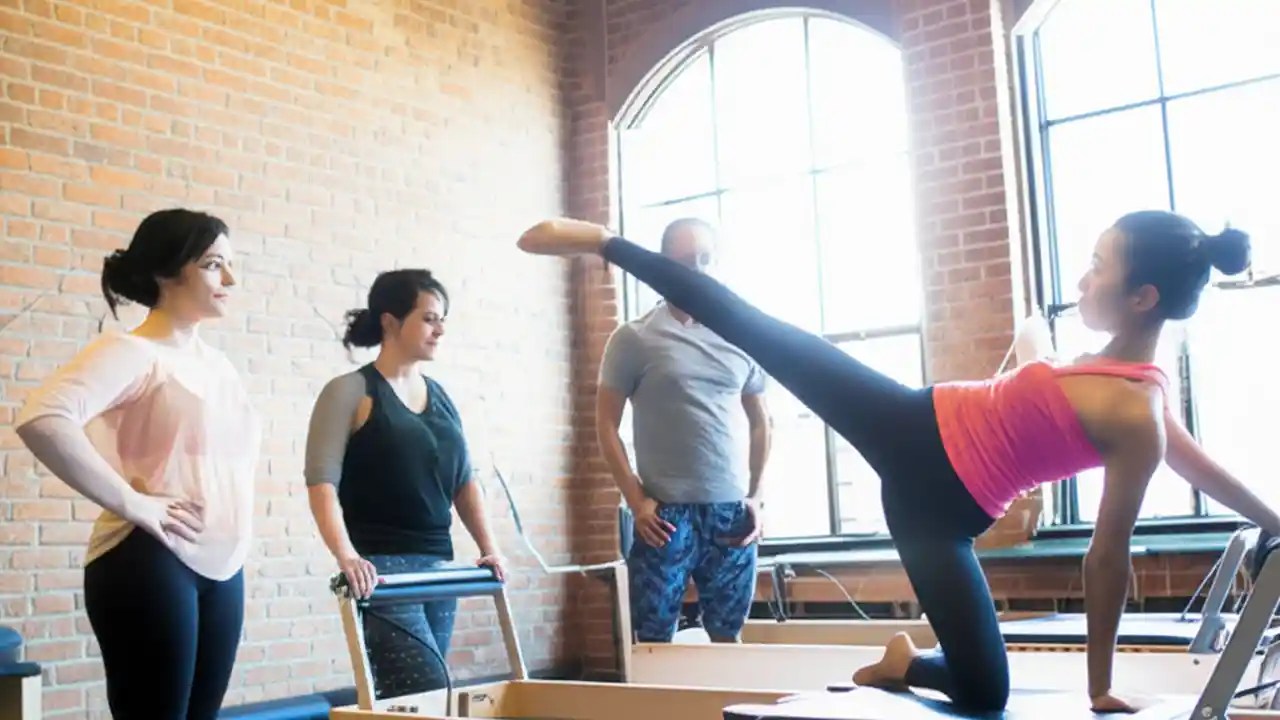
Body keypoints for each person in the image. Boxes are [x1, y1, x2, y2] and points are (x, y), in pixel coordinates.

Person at [516, 211, 1280, 714]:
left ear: (1143, 297)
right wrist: (1276, 520)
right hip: (913, 428)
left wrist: (1100, 687)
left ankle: (904, 661)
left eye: (1098, 267)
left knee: (983, 693)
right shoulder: (1119, 376)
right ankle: (602, 240)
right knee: (759, 330)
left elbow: (1109, 555)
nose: (1081, 279)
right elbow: (1187, 462)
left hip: (939, 519)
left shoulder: (1140, 412)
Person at [15, 208, 261, 720]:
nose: (230, 280)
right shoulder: (132, 350)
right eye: (214, 265)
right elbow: (42, 418)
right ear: (167, 272)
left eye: (231, 265)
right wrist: (134, 503)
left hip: (223, 567)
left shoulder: (219, 366)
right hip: (149, 562)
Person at [304, 268, 504, 700]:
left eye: (442, 319)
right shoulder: (350, 392)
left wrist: (489, 547)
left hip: (440, 571)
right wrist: (347, 556)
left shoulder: (442, 397)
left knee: (416, 702)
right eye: (429, 318)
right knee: (428, 690)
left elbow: (464, 481)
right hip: (382, 572)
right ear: (390, 322)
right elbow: (321, 483)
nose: (440, 329)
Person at [598, 217, 771, 644]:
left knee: (728, 638)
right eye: (684, 261)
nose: (697, 270)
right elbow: (605, 424)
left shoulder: (742, 335)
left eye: (705, 259)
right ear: (662, 266)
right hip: (664, 516)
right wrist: (636, 500)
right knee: (653, 640)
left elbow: (762, 422)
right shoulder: (634, 338)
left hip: (730, 513)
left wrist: (756, 496)